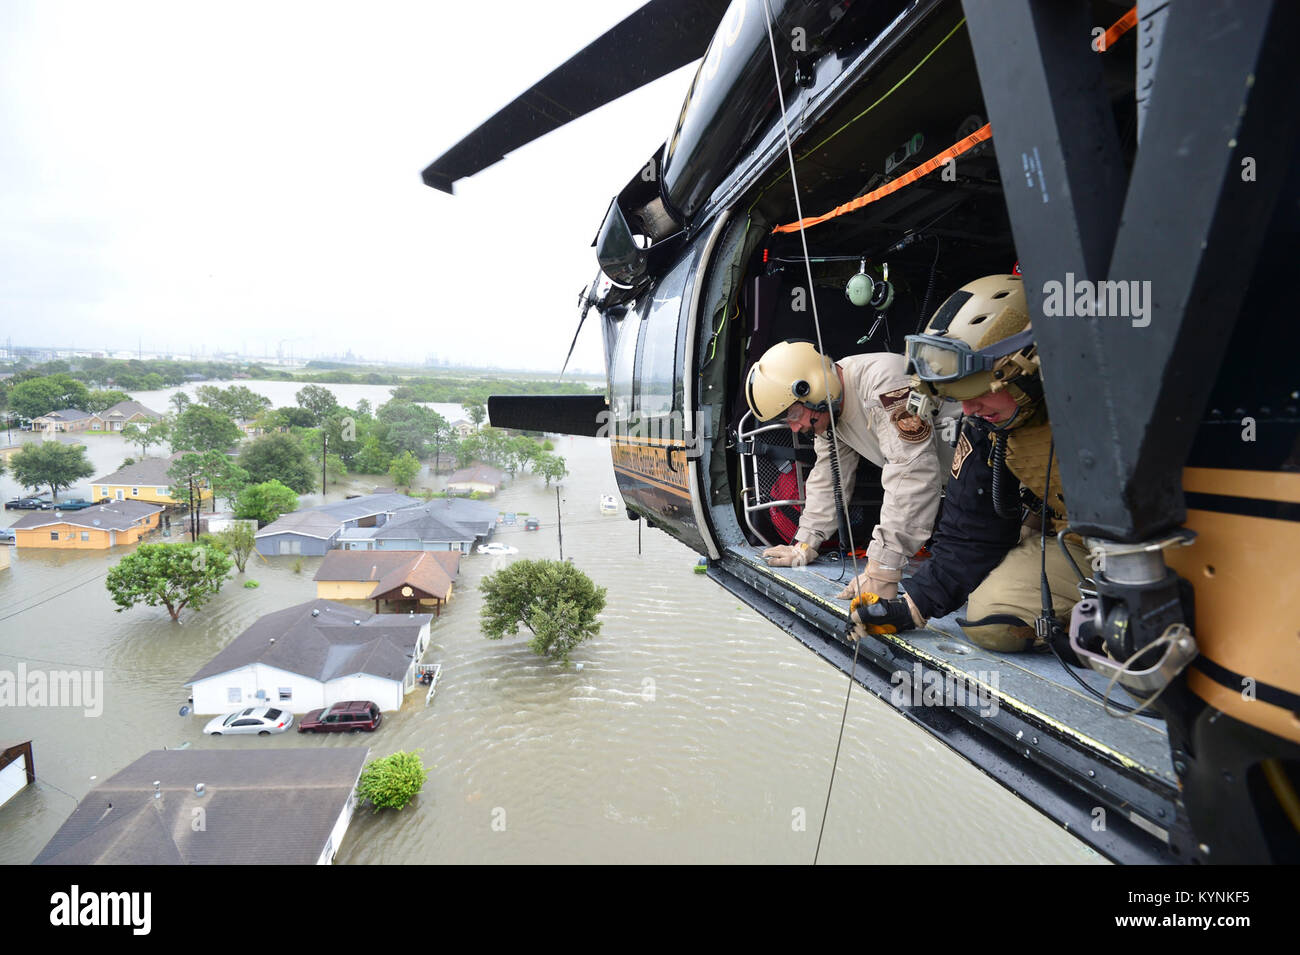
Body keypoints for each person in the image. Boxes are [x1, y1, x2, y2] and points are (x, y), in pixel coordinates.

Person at [849, 273, 1091, 652]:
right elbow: (969, 533)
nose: (968, 409)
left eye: (976, 391)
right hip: (1080, 542)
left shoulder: (1108, 402)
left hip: (1174, 547)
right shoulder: (986, 425)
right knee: (991, 622)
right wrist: (911, 607)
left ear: (1025, 368)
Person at [744, 339, 944, 600]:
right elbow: (828, 475)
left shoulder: (885, 384)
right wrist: (804, 543)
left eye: (793, 415)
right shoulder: (830, 409)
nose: (794, 428)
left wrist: (883, 569)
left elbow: (912, 475)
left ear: (813, 387)